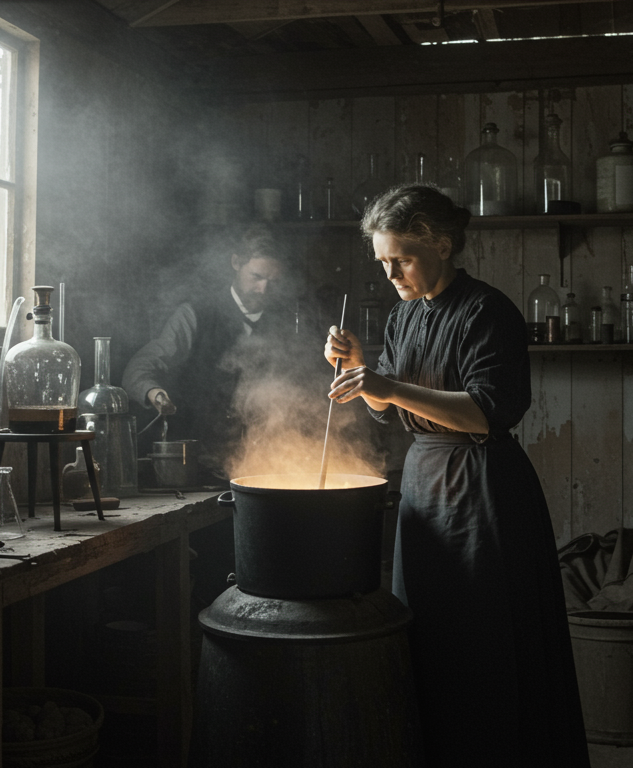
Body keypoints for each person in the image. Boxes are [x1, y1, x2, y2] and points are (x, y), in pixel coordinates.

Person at [324, 185, 591, 766]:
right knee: (427, 637)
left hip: (481, 487)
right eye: (383, 262)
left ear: (443, 245)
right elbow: (390, 411)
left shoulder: (486, 311)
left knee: (485, 642)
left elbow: (485, 413)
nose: (391, 273)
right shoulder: (402, 316)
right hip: (423, 484)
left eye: (403, 258)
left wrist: (386, 384)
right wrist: (362, 372)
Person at [121, 224, 292, 477]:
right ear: (236, 263)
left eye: (273, 281)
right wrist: (155, 394)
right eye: (256, 277)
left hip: (261, 464)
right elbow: (138, 369)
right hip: (194, 465)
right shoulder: (195, 315)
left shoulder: (285, 324)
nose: (264, 290)